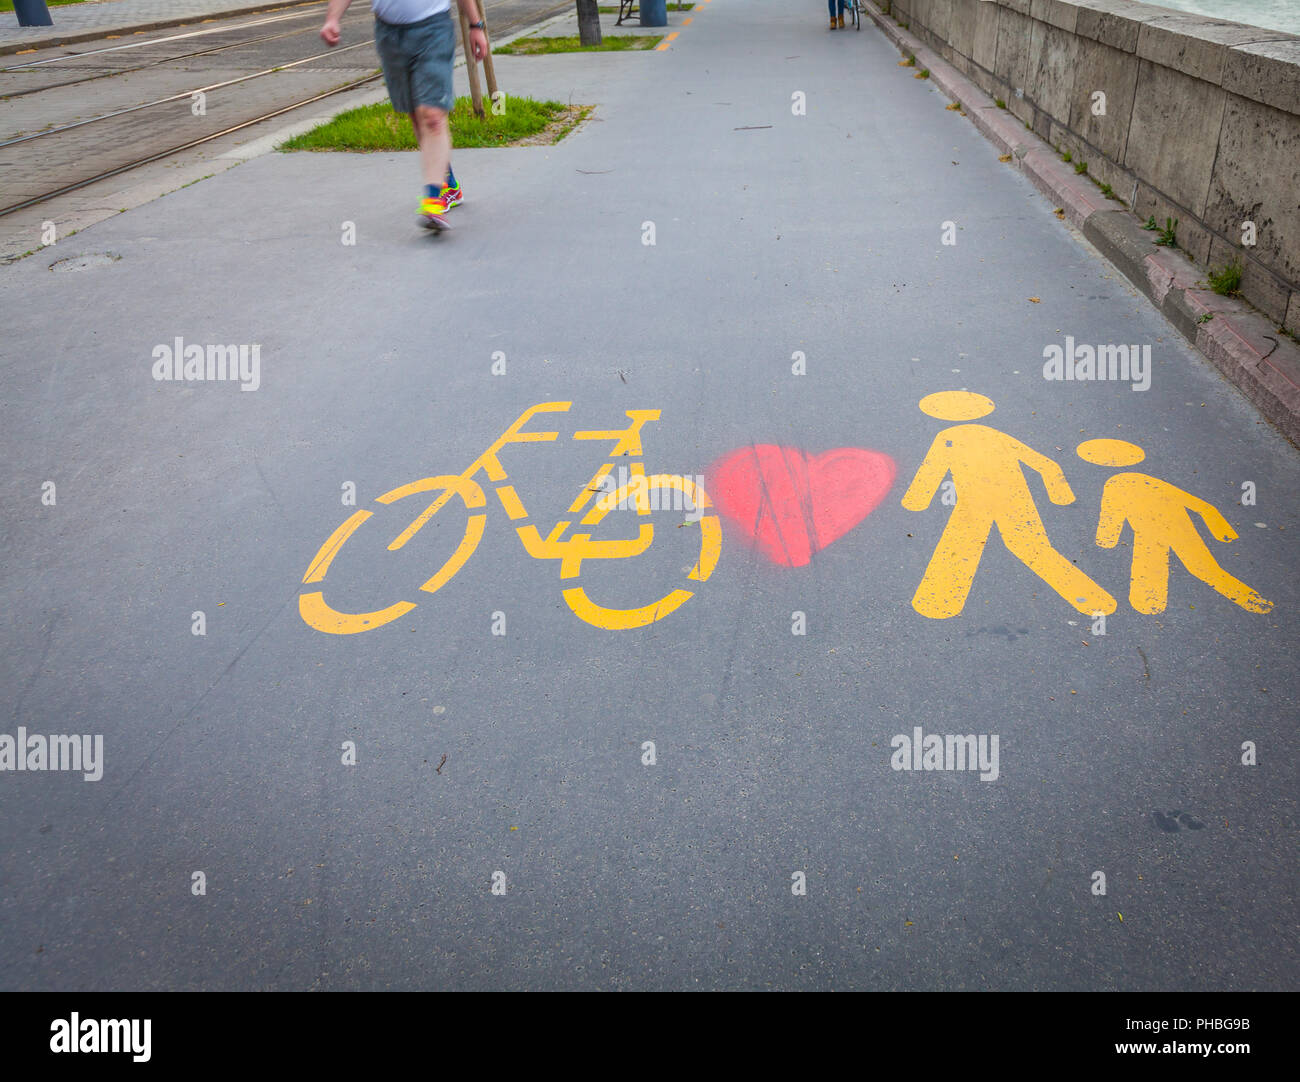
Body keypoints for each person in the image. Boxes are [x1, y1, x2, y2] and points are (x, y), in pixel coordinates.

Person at [901, 391, 1117, 619]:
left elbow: (931, 471)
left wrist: (917, 500)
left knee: (961, 544)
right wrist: (1060, 494)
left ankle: (936, 602)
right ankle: (1092, 599)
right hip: (1015, 498)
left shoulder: (948, 437)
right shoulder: (996, 435)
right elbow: (1045, 464)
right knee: (1031, 547)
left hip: (974, 502)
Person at [321, 0, 488, 230]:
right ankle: (446, 181)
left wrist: (475, 25)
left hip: (433, 29)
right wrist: (332, 18)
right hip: (390, 36)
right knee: (416, 115)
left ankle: (432, 200)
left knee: (431, 116)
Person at [1078, 439, 1272, 614]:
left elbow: (1112, 514)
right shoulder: (1150, 482)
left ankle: (1149, 602)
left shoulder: (1116, 483)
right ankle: (1249, 599)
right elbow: (1202, 507)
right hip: (1179, 527)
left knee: (1152, 563)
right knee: (1201, 566)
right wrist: (1223, 532)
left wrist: (1107, 539)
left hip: (1151, 531)